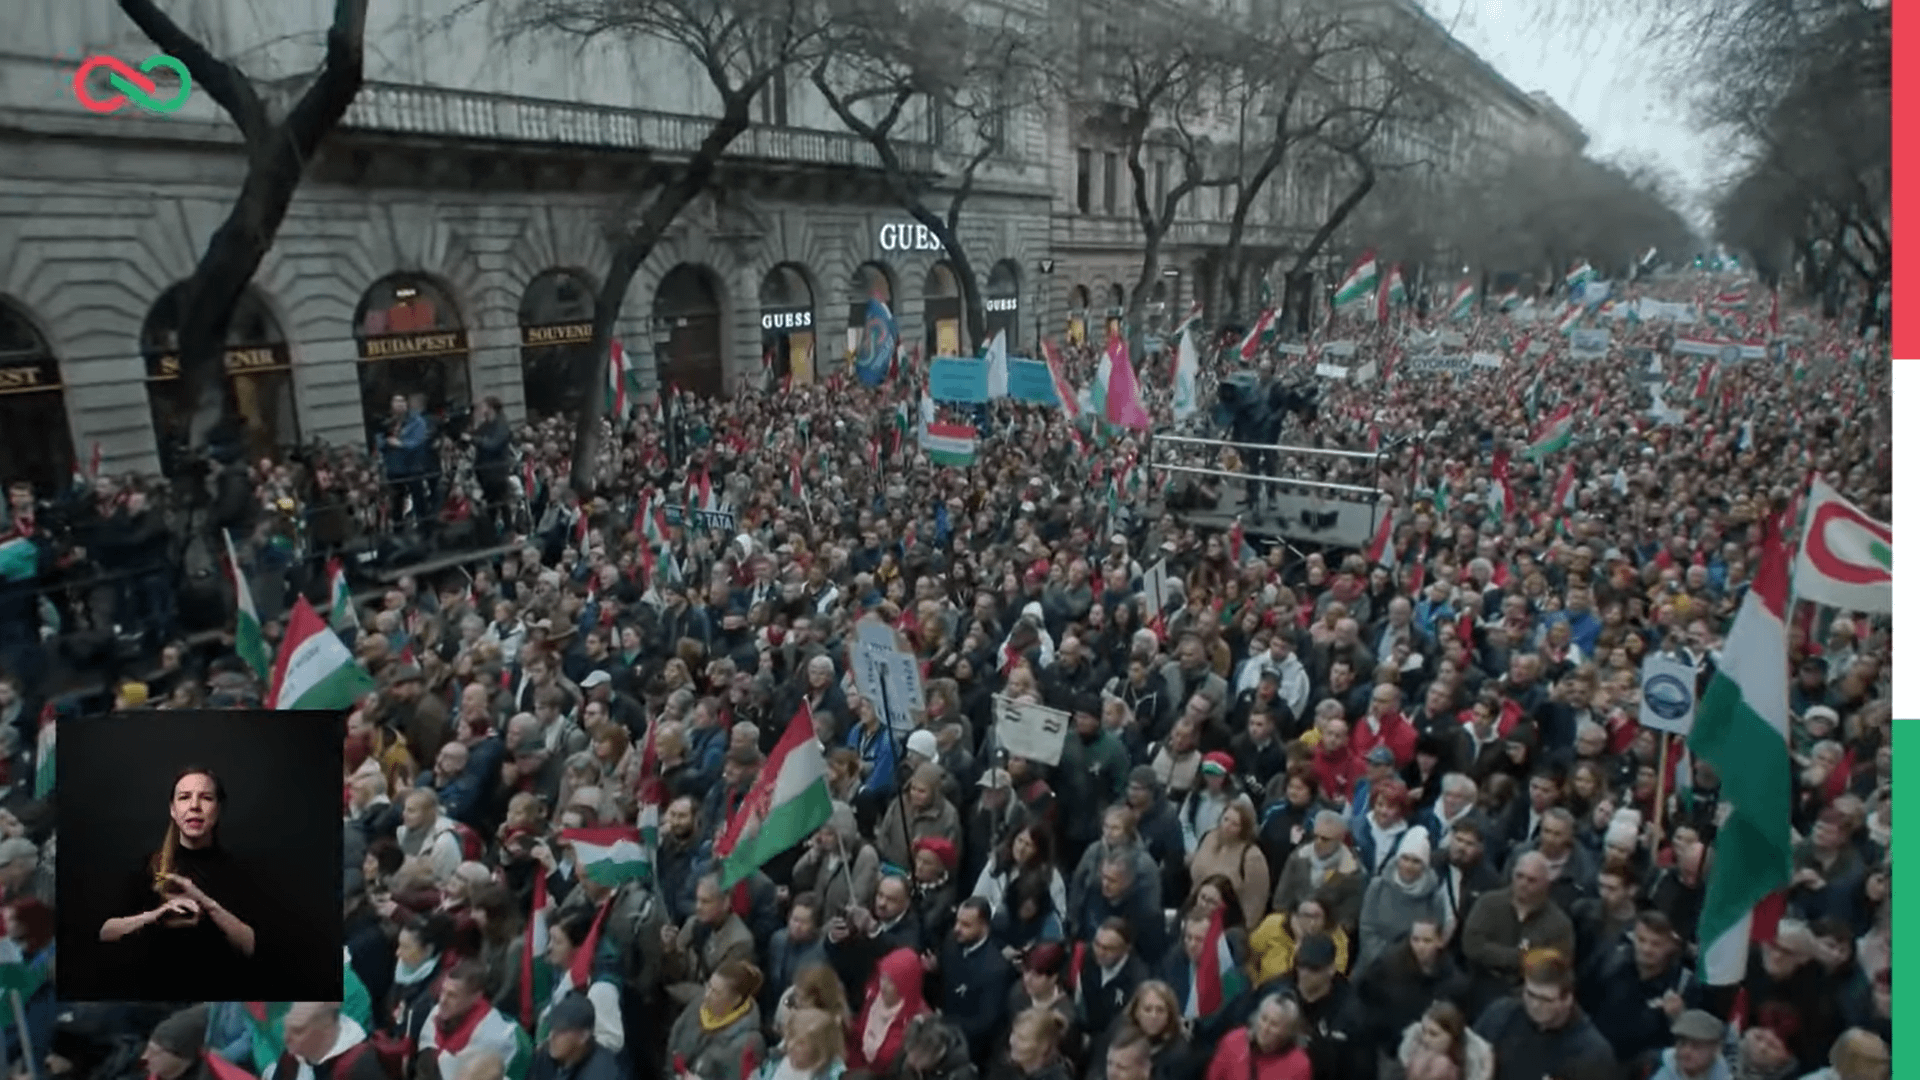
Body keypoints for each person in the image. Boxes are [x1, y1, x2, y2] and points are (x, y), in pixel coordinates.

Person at [96, 765, 265, 999]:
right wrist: (157, 914)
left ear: (218, 809)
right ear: (173, 810)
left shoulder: (239, 870)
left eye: (206, 798)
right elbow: (106, 932)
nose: (194, 806)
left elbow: (251, 946)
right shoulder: (147, 865)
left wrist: (207, 904)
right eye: (184, 797)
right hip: (153, 995)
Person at [270, 1001, 388, 1080]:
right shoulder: (291, 1059)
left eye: (299, 1030)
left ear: (325, 1027)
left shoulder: (361, 1066)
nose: (288, 1041)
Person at [529, 995, 629, 1080]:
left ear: (583, 1036)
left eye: (561, 1031)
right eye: (552, 1028)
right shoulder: (546, 1055)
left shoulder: (604, 1073)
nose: (552, 1036)